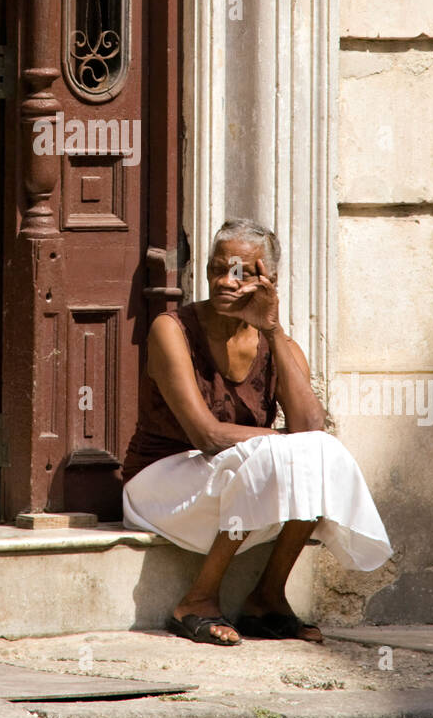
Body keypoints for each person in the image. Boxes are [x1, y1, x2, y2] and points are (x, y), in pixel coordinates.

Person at [121, 218, 392, 646]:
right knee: (285, 453)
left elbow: (311, 428)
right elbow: (206, 436)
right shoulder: (171, 330)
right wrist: (288, 447)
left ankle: (267, 598)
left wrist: (271, 328)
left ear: (269, 280)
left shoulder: (277, 343)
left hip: (232, 488)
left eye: (242, 273)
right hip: (162, 487)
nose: (224, 282)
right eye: (216, 268)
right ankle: (197, 600)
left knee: (321, 454)